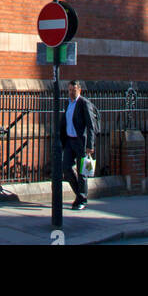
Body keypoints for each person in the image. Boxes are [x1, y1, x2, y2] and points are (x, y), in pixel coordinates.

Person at [59, 78, 95, 210]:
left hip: (81, 142)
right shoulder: (68, 103)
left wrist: (90, 145)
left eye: (73, 90)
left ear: (79, 90)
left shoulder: (84, 103)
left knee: (82, 172)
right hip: (69, 141)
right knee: (66, 168)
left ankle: (82, 200)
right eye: (69, 90)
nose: (71, 93)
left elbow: (91, 125)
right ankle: (79, 196)